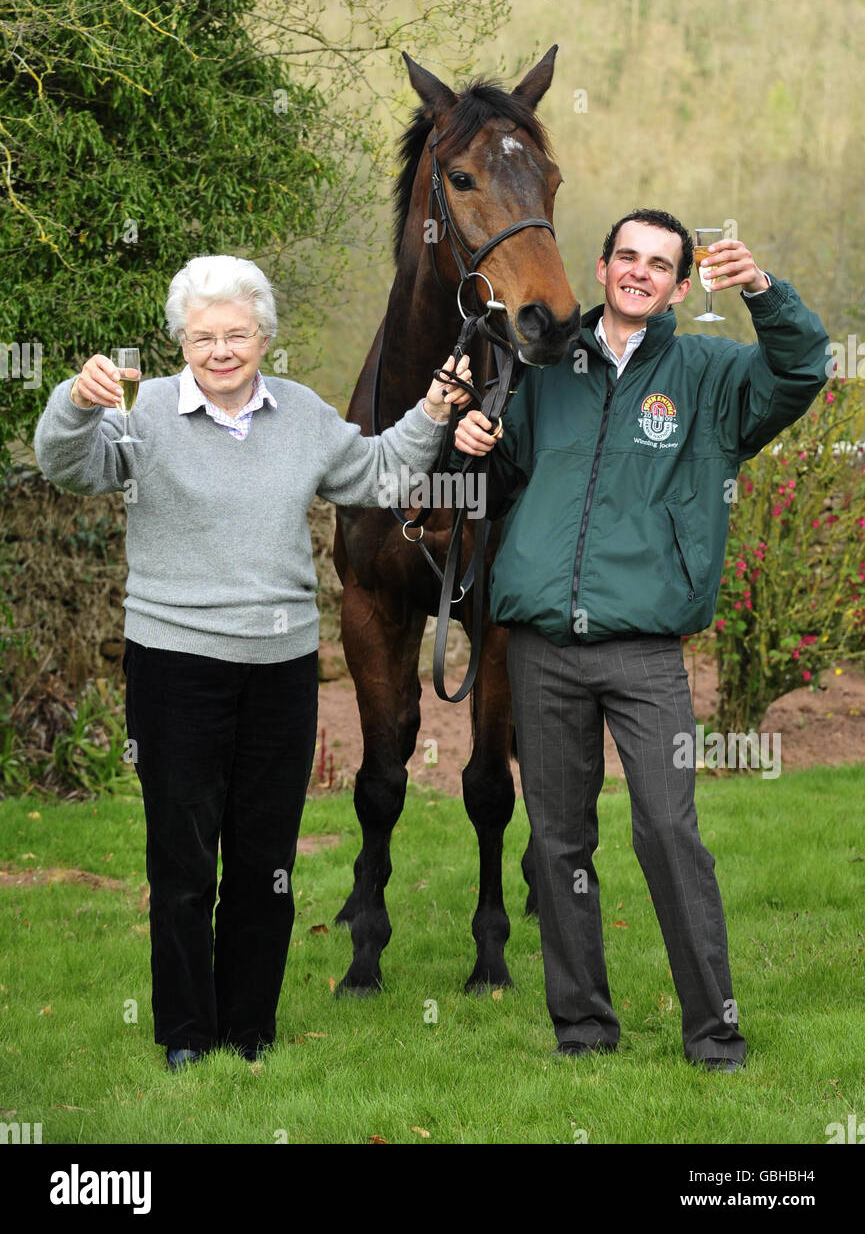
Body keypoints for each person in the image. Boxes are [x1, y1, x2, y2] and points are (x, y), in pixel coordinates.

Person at [34, 254, 473, 1070]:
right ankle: (186, 1036)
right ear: (181, 341)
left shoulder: (300, 415)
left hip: (278, 668)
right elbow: (68, 464)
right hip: (174, 666)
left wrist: (434, 410)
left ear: (264, 336)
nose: (222, 350)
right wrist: (74, 404)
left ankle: (248, 1032)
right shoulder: (149, 412)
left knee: (264, 856)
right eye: (204, 337)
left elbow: (377, 471)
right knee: (183, 854)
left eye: (237, 334)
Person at [455, 210, 830, 1069]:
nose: (638, 272)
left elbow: (802, 368)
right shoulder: (543, 366)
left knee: (667, 831)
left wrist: (764, 295)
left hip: (644, 649)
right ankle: (582, 1030)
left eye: (659, 263)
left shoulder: (709, 375)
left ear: (679, 282)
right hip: (541, 644)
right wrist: (476, 435)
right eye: (626, 256)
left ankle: (714, 1035)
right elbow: (511, 469)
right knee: (556, 842)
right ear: (599, 265)